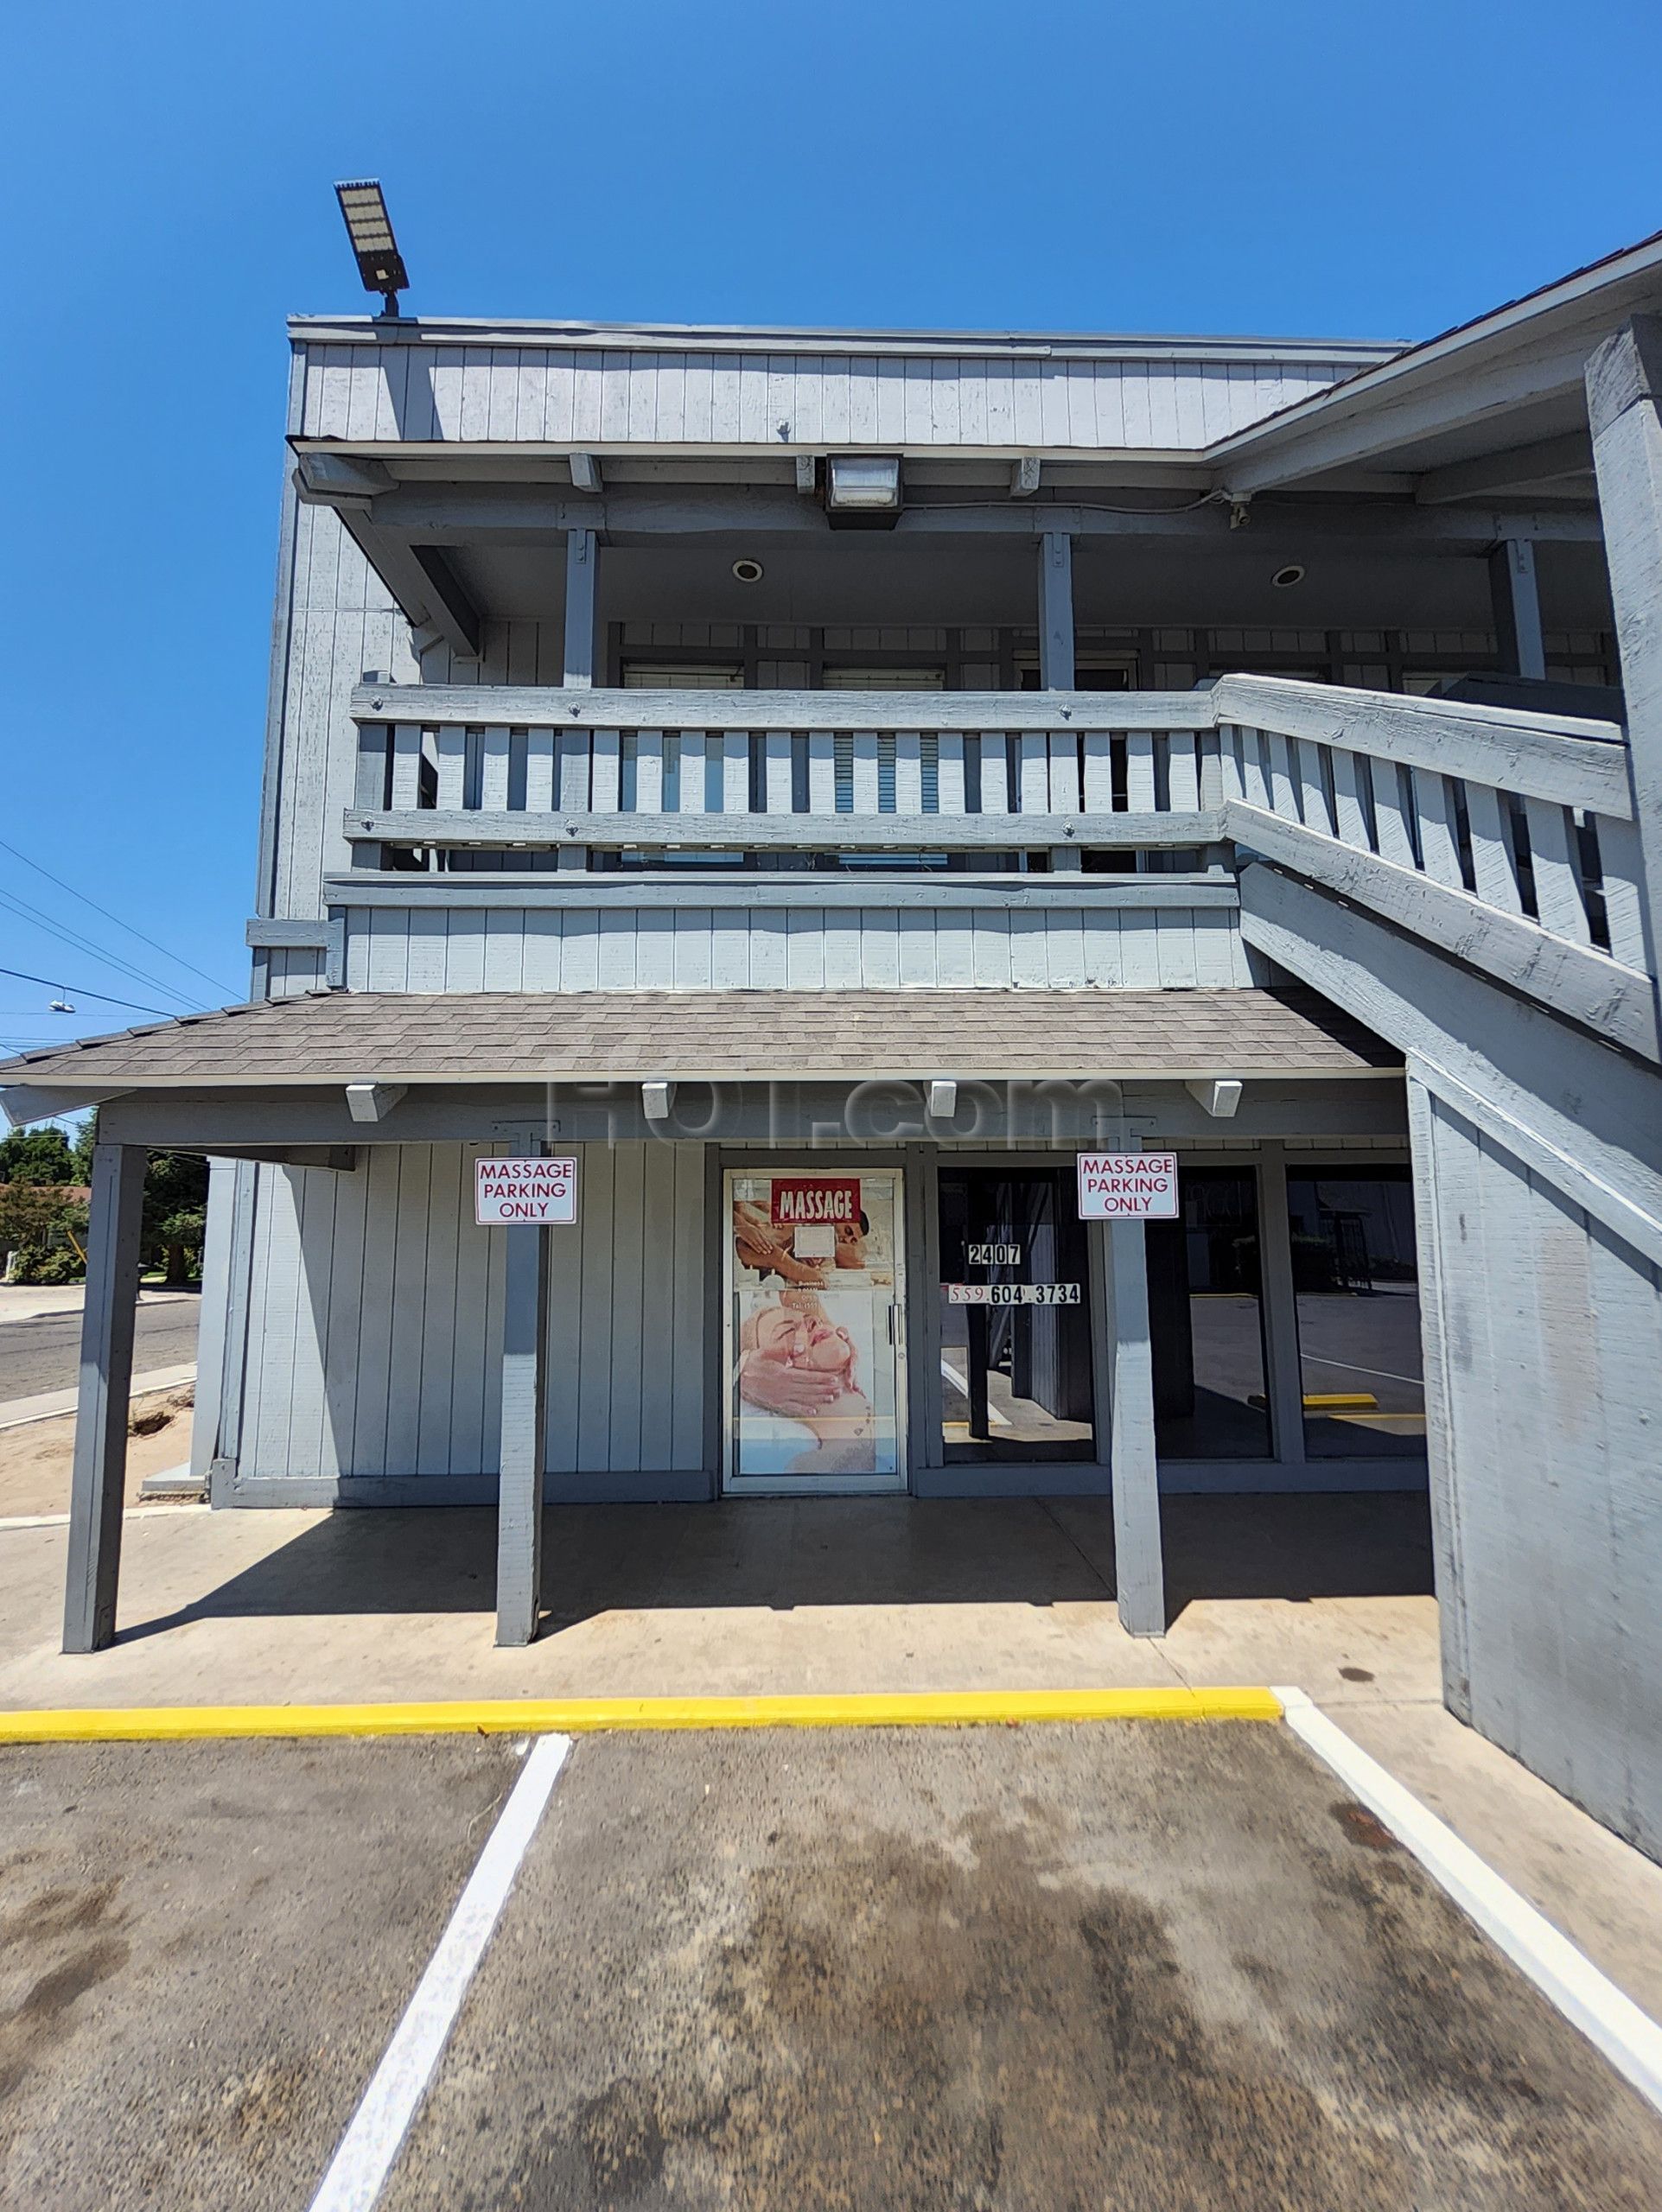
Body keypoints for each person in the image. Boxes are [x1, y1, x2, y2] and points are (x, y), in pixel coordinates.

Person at [736, 1289, 877, 1472]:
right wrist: (738, 1368)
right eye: (787, 1331)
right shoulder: (811, 1470)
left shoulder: (902, 1405)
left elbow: (801, 1290)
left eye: (809, 1319)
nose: (814, 1321)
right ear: (766, 1376)